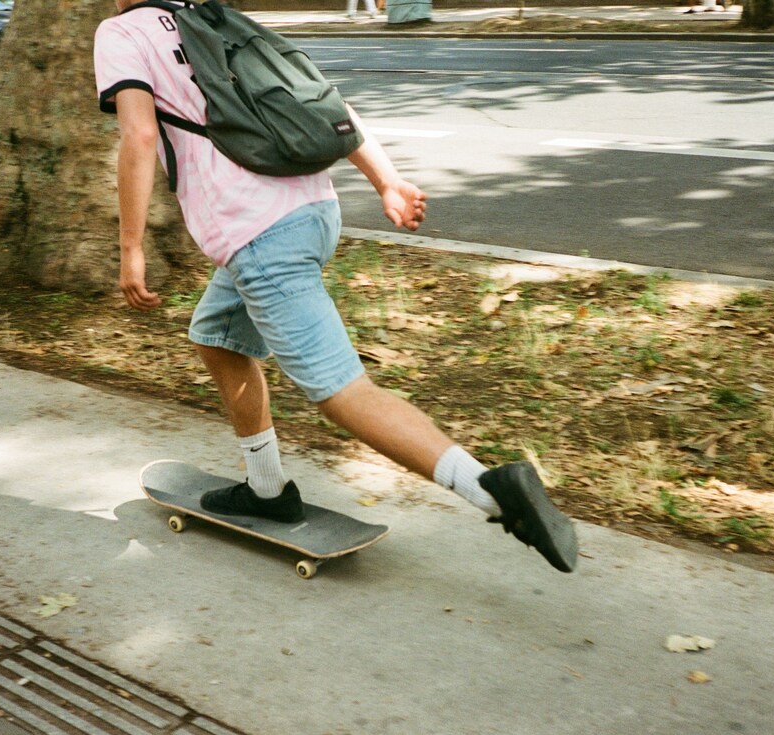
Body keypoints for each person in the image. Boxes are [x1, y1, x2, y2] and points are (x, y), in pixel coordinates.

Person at [93, 0, 579, 573]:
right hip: (313, 209)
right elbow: (316, 98)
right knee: (216, 338)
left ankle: (493, 491)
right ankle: (267, 488)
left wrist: (130, 247)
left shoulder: (121, 32)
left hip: (257, 235)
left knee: (341, 393)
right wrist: (387, 181)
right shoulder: (212, 17)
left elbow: (140, 136)